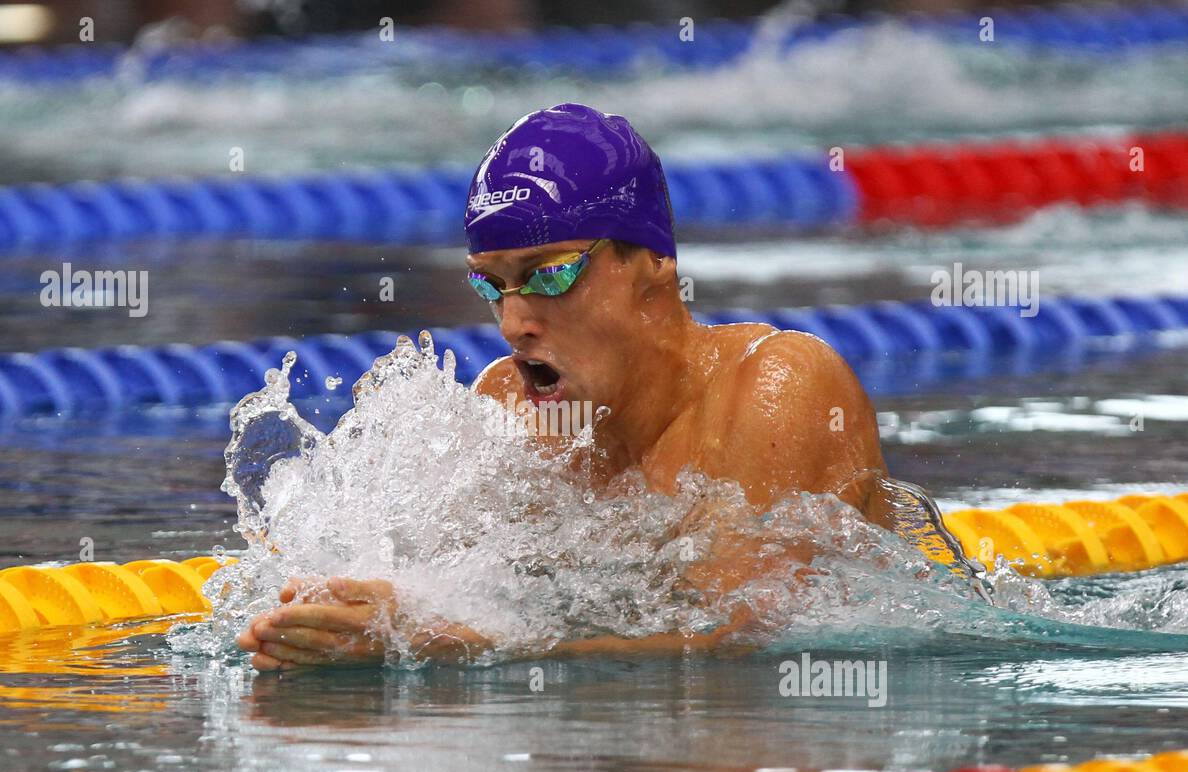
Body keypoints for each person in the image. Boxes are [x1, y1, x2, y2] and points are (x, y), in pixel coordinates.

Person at [237, 103, 898, 670]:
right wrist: (358, 612)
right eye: (491, 286)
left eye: (548, 276)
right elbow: (468, 593)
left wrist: (443, 643)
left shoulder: (777, 388)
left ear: (654, 262)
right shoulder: (515, 408)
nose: (513, 324)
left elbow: (732, 651)